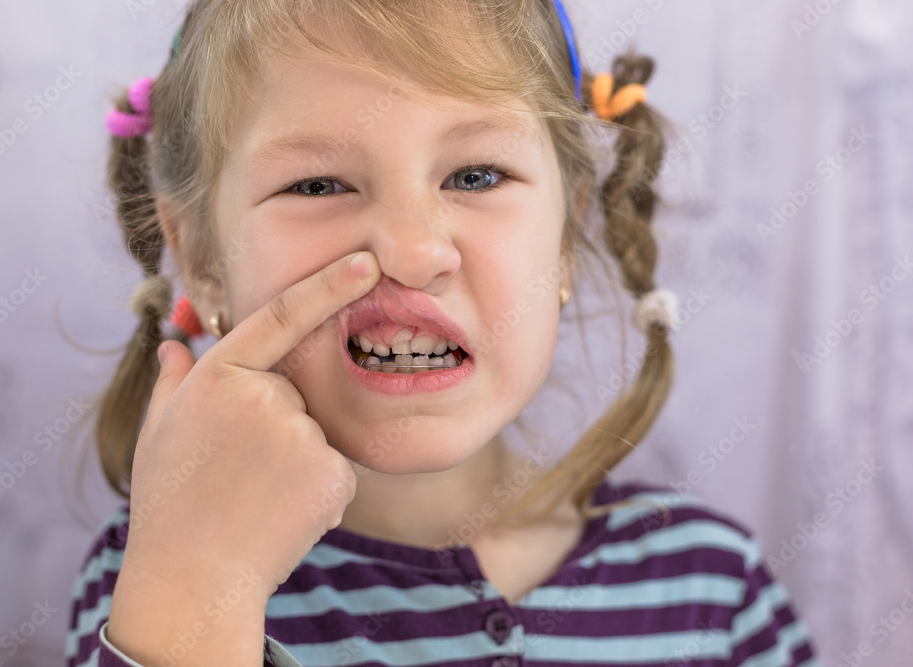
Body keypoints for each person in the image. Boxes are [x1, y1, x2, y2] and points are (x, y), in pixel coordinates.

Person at [66, 1, 820, 665]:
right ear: (202, 257)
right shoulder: (158, 573)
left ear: (563, 237)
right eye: (318, 184)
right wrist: (201, 590)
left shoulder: (709, 590)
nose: (413, 251)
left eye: (476, 176)